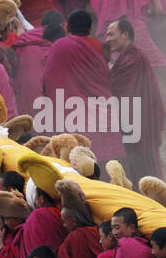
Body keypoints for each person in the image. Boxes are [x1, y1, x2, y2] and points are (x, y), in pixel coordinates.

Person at [42, 10, 127, 164]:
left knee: (76, 158)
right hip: (99, 105)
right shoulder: (99, 46)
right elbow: (106, 74)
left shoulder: (60, 46)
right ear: (90, 29)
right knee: (107, 157)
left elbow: (48, 78)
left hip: (71, 110)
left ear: (67, 28)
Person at [106, 17, 166, 180]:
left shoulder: (133, 58)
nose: (108, 39)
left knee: (142, 164)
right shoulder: (127, 56)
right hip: (134, 118)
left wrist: (106, 73)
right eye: (107, 35)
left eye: (112, 35)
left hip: (139, 120)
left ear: (125, 34)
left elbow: (119, 86)